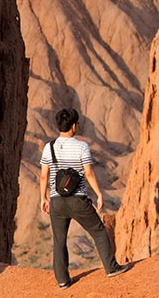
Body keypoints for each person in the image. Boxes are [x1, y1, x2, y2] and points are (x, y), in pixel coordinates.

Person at [40, 107, 128, 288]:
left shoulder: (49, 148)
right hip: (78, 199)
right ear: (74, 126)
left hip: (57, 201)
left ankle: (63, 280)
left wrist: (44, 198)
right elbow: (88, 173)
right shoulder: (81, 146)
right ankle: (111, 268)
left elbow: (44, 175)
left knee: (59, 240)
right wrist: (99, 194)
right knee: (98, 231)